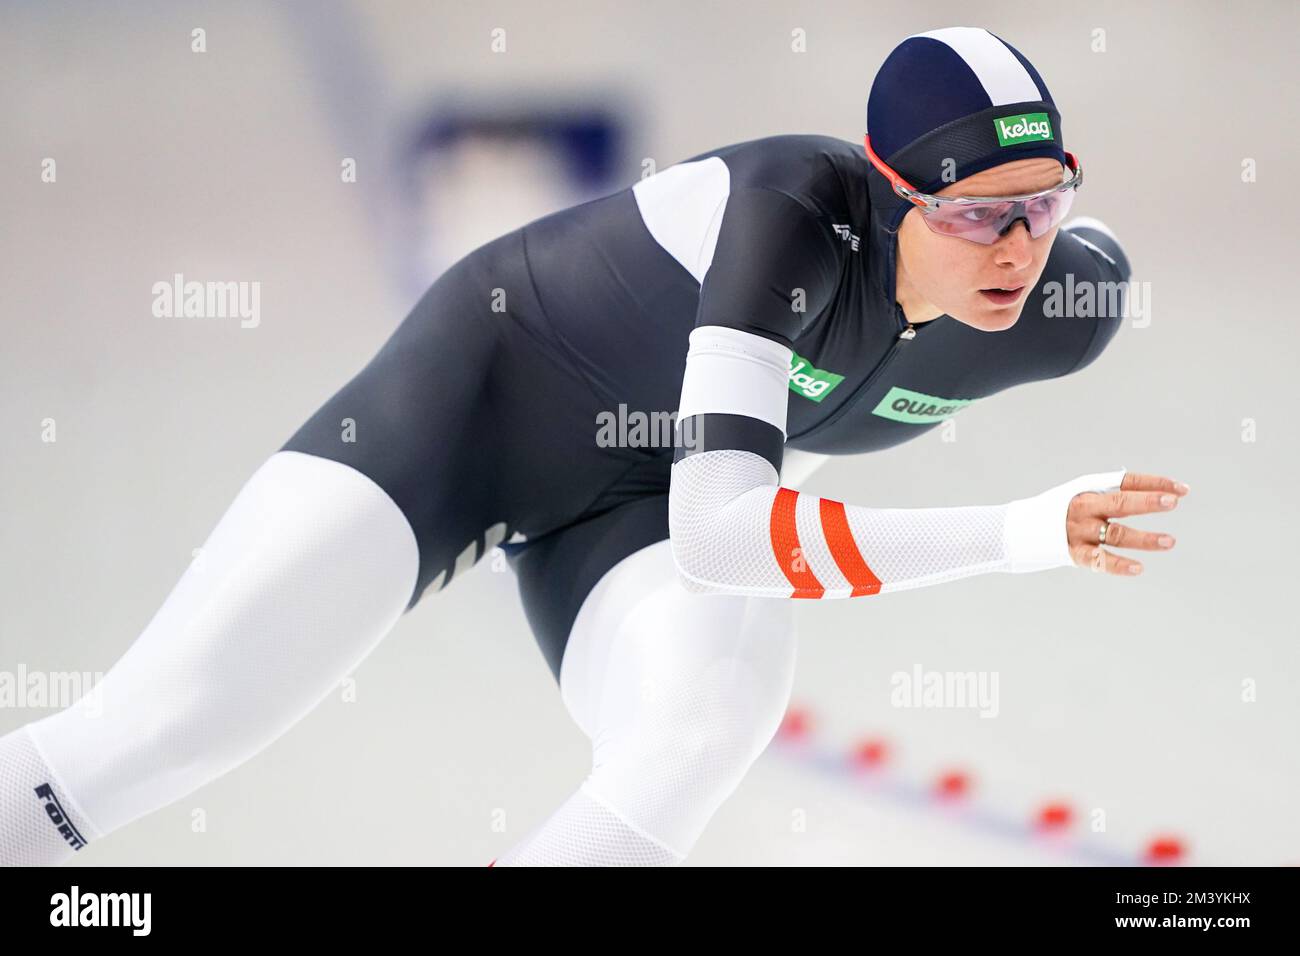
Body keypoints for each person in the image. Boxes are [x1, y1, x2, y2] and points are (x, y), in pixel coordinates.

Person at [0, 26, 1186, 867]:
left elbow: (706, 533)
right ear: (886, 190)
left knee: (708, 715)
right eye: (974, 212)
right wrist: (1024, 531)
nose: (1016, 247)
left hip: (637, 520)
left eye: (1043, 203)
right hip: (477, 415)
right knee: (148, 732)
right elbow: (721, 537)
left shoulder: (1063, 308)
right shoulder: (790, 216)